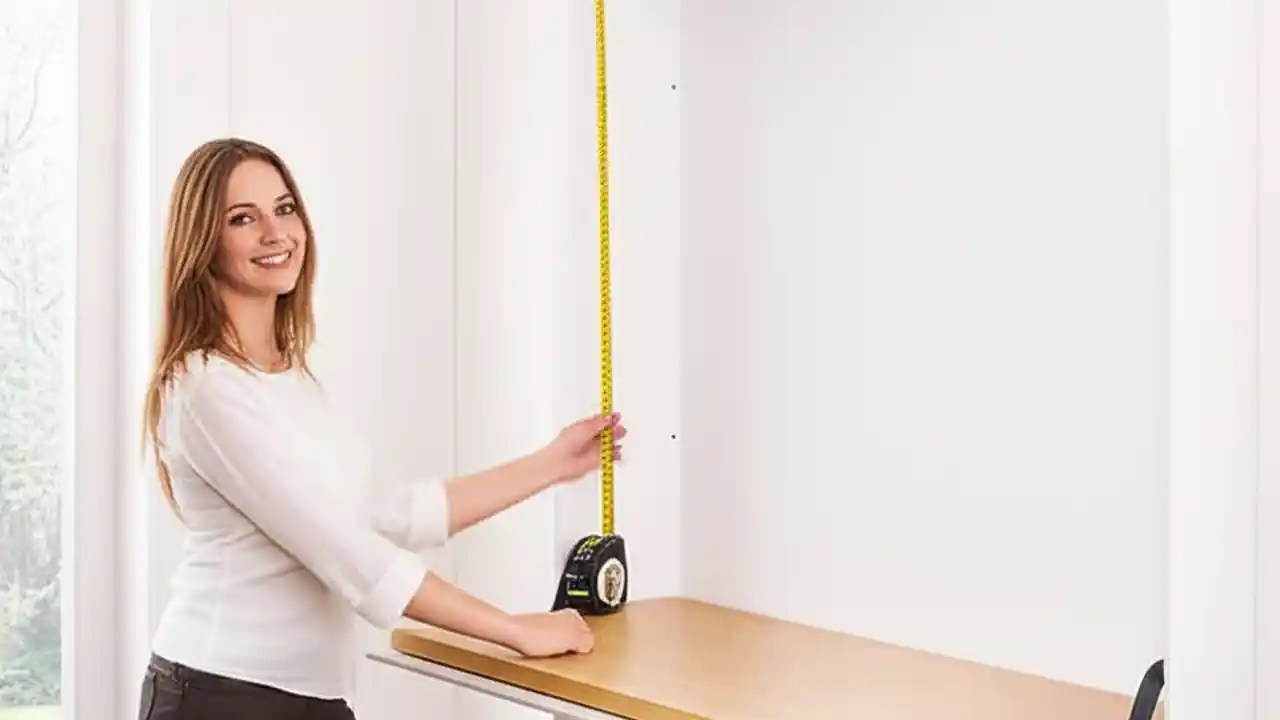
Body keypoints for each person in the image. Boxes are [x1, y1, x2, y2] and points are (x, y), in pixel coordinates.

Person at [135, 137, 626, 719]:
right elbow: (350, 555)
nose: (276, 232)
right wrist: (513, 629)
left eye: (285, 208)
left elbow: (392, 512)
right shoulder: (204, 389)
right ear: (203, 242)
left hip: (309, 697)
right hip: (219, 695)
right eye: (244, 218)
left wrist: (551, 464)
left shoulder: (292, 380)